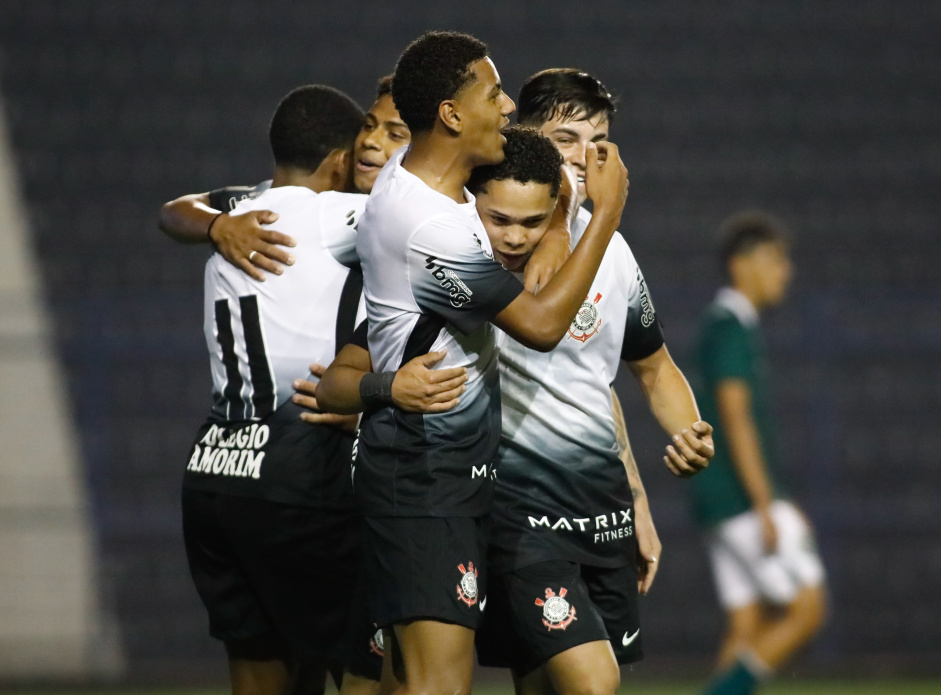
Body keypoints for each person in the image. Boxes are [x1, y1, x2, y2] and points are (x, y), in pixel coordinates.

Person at [326, 30, 629, 695]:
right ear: (451, 114)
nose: (507, 106)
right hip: (425, 479)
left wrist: (558, 219)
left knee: (405, 682)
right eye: (492, 94)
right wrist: (604, 213)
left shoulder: (421, 179)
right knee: (437, 686)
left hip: (441, 479)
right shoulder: (432, 229)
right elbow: (541, 326)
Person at [175, 84, 463, 695]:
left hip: (217, 467)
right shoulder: (344, 216)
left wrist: (216, 224)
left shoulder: (246, 207)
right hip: (304, 462)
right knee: (372, 676)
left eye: (393, 133)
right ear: (339, 158)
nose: (373, 146)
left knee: (267, 670)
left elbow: (175, 210)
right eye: (369, 131)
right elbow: (449, 228)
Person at [471, 69, 713, 695]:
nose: (584, 155)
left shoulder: (615, 250)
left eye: (598, 140)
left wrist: (682, 440)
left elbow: (644, 370)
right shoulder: (489, 232)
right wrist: (568, 219)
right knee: (594, 683)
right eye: (566, 138)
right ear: (523, 137)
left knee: (543, 686)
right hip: (518, 511)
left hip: (599, 509)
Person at [689, 211, 826, 695]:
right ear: (740, 264)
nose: (785, 271)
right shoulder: (730, 325)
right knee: (808, 610)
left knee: (745, 626)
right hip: (740, 498)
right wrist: (766, 503)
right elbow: (736, 417)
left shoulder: (725, 325)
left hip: (717, 499)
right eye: (774, 259)